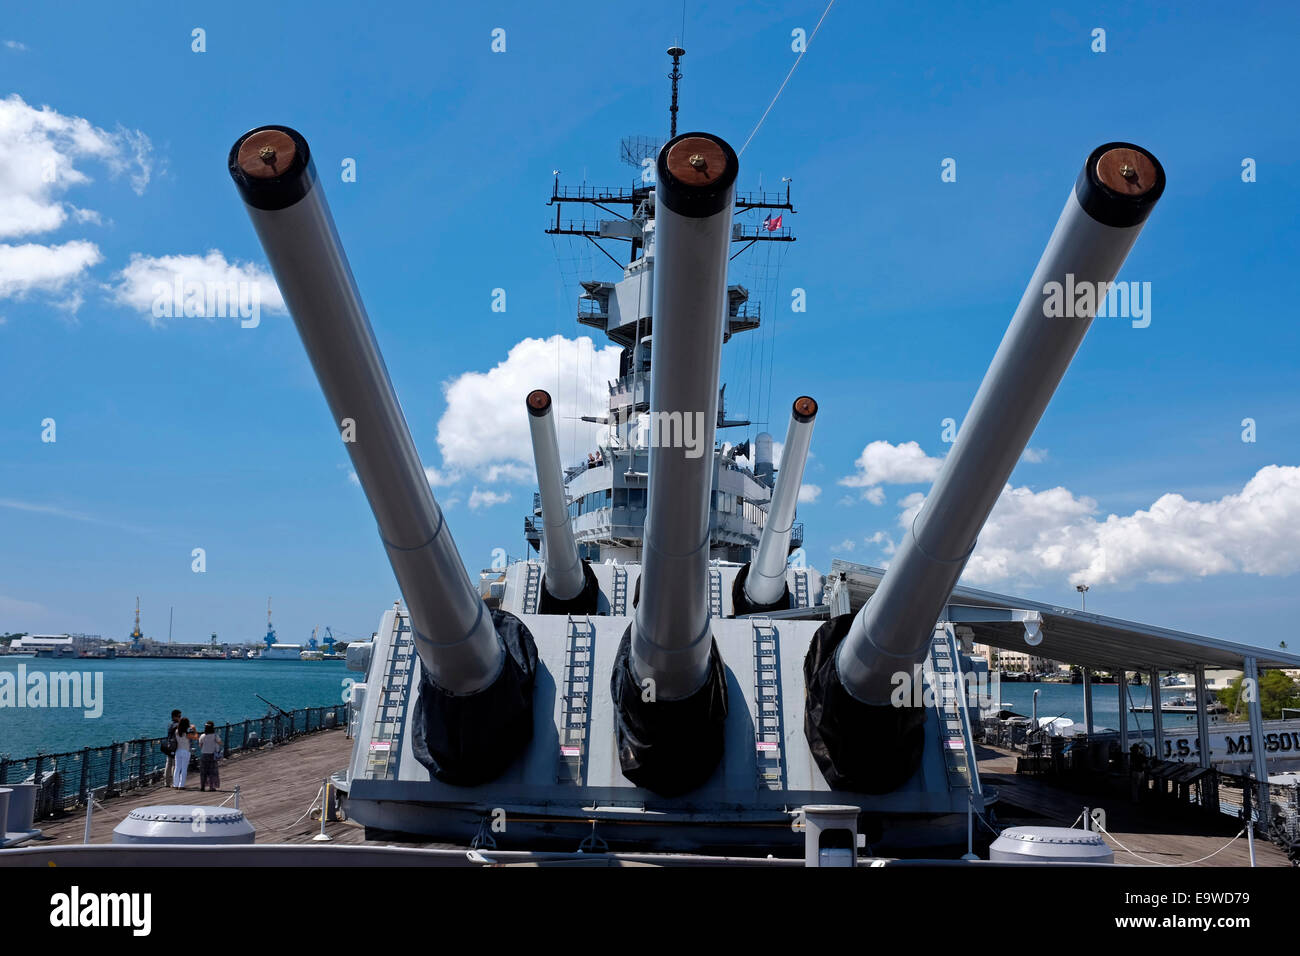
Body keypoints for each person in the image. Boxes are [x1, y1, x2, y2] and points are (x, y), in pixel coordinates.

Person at [198, 721, 223, 792]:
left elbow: (200, 745)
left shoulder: (202, 736)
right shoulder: (215, 735)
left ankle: (202, 786)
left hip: (204, 755)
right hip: (212, 755)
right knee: (212, 771)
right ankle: (211, 787)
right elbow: (220, 742)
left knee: (203, 771)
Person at [162, 709, 181, 786]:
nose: (180, 718)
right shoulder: (177, 725)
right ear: (175, 717)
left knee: (168, 764)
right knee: (174, 764)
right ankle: (175, 782)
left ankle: (166, 782)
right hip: (175, 746)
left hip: (169, 745)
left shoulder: (170, 724)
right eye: (179, 716)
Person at [172, 718, 193, 789]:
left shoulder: (176, 731)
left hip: (178, 751)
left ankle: (175, 784)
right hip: (186, 751)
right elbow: (196, 737)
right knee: (184, 769)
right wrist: (194, 729)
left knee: (177, 768)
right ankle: (181, 785)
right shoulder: (187, 733)